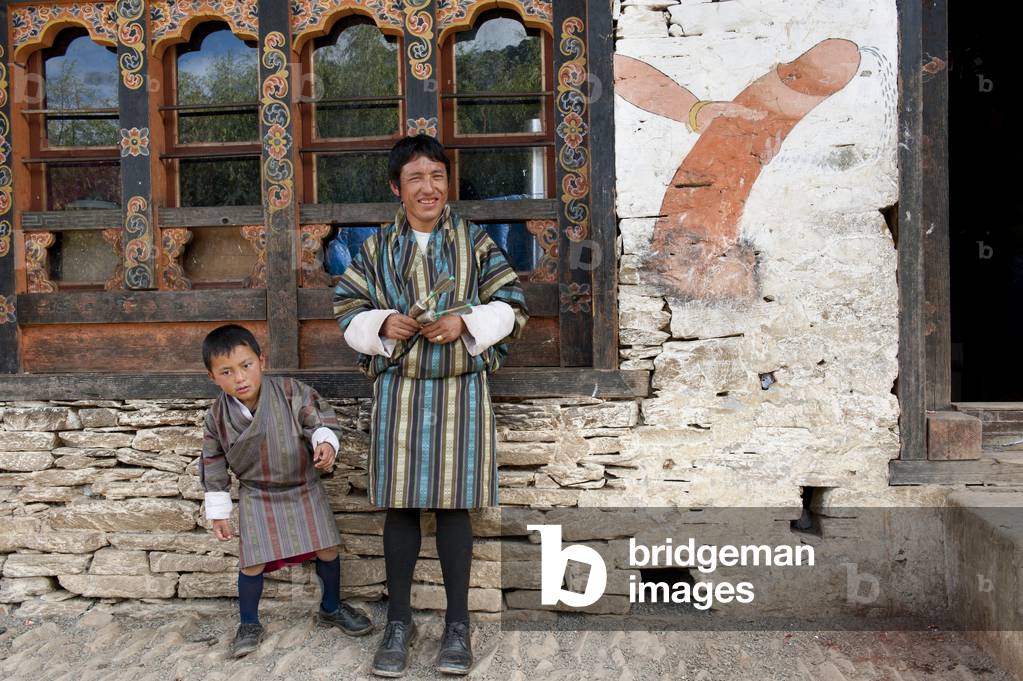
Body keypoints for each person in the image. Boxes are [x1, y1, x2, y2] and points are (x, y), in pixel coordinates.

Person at [332, 135, 529, 676]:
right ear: (396, 187)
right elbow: (347, 307)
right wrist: (381, 325)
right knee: (399, 506)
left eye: (437, 176)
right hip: (401, 391)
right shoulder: (376, 250)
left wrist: (465, 322)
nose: (428, 187)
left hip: (459, 391)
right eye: (416, 178)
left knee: (451, 506)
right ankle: (399, 622)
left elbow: (511, 304)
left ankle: (457, 625)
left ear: (449, 184)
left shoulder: (475, 243)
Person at [199, 324, 373, 658]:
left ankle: (332, 607)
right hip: (257, 493)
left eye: (246, 365)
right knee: (252, 563)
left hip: (303, 486)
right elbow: (213, 461)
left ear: (261, 360)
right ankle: (249, 622)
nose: (240, 378)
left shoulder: (292, 392)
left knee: (327, 549)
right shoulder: (217, 417)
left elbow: (317, 420)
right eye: (227, 371)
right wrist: (219, 512)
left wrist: (324, 443)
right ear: (212, 377)